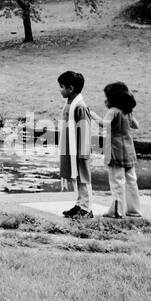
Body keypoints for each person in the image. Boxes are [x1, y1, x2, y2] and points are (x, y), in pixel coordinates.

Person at [102, 81, 142, 218]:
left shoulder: (113, 112)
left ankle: (116, 211)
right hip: (129, 151)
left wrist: (92, 115)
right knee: (131, 181)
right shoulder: (128, 112)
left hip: (115, 152)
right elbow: (136, 126)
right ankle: (134, 210)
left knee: (117, 182)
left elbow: (103, 124)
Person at [57, 70, 93, 218]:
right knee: (76, 177)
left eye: (61, 87)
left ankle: (86, 208)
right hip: (71, 148)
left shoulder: (80, 106)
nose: (60, 90)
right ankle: (79, 204)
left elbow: (85, 129)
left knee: (83, 178)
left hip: (79, 149)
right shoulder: (70, 104)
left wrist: (83, 151)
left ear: (70, 89)